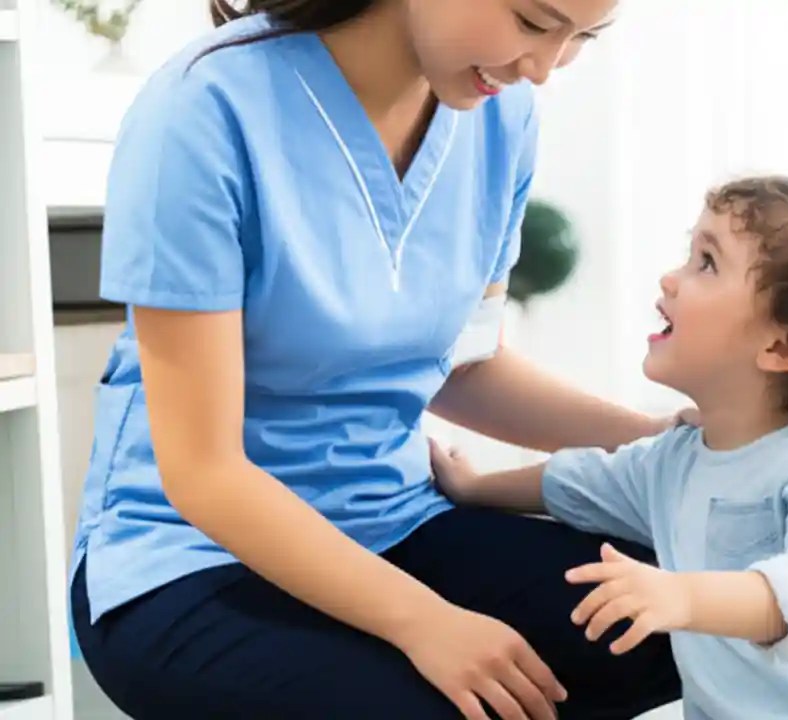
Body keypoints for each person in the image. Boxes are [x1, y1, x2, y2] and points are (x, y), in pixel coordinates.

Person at [68, 1, 685, 718]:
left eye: (583, 38)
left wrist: (672, 444)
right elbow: (203, 475)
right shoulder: (203, 110)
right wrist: (425, 623)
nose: (543, 69)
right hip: (191, 557)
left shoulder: (500, 116)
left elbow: (466, 367)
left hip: (396, 521)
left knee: (688, 624)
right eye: (532, 21)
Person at [431, 176, 788, 719]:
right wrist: (473, 488)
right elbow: (575, 483)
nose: (671, 278)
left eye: (706, 263)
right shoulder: (675, 459)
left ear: (781, 345)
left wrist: (683, 598)